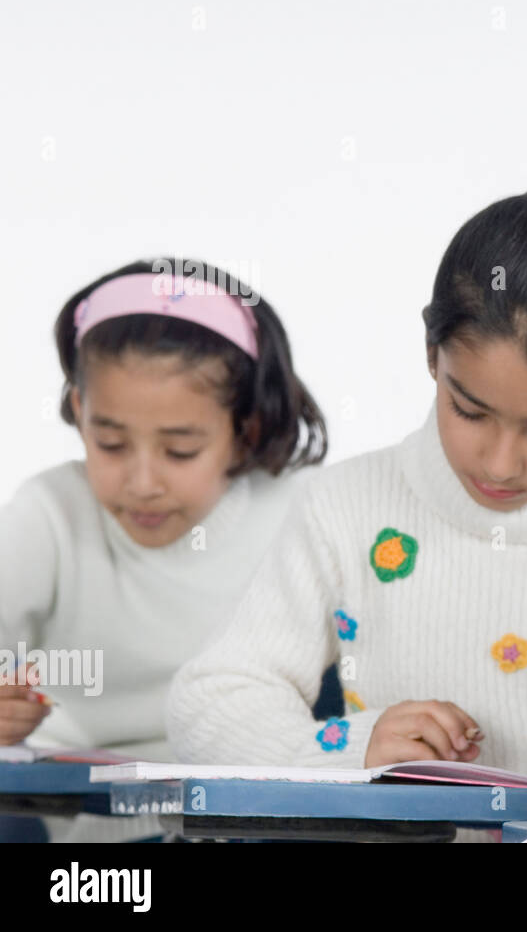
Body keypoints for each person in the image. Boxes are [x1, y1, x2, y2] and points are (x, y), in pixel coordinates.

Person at [167, 158, 527, 838]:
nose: (500, 462)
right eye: (469, 409)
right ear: (431, 354)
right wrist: (354, 752)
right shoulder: (346, 507)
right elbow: (208, 701)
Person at [0, 257, 326, 840]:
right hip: (72, 817)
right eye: (111, 443)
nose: (143, 481)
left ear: (245, 428)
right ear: (79, 411)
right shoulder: (50, 513)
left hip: (241, 812)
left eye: (180, 451)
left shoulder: (300, 511)